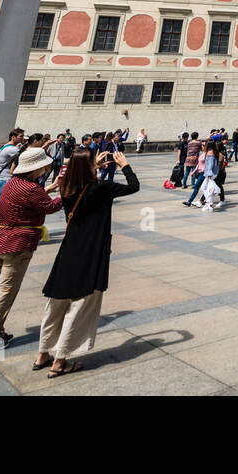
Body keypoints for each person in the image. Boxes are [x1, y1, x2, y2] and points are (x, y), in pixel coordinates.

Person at [31, 149, 139, 377]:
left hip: (68, 251)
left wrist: (92, 165)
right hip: (91, 254)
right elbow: (133, 186)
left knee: (56, 304)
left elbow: (80, 176)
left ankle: (43, 354)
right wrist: (124, 165)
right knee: (79, 307)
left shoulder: (67, 187)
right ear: (90, 167)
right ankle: (60, 361)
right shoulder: (102, 188)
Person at [0, 146, 62, 356]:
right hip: (17, 247)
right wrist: (67, 193)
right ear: (36, 168)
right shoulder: (31, 188)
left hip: (1, 243)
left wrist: (51, 188)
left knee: (6, 291)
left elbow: (34, 200)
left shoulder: (14, 183)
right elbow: (49, 207)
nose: (46, 169)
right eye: (44, 166)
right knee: (5, 293)